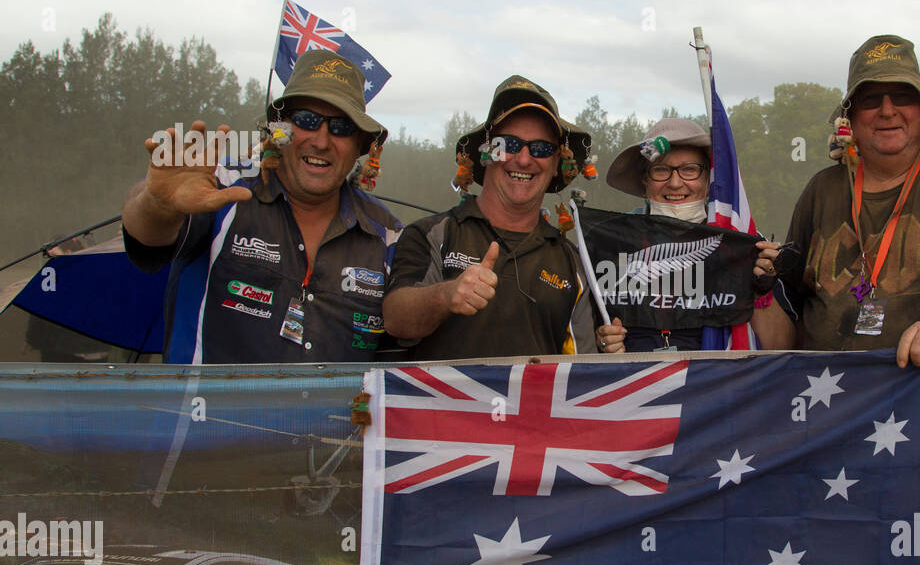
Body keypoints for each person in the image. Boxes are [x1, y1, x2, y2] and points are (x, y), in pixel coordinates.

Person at [754, 35, 920, 367]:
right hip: (827, 395)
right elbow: (790, 306)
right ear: (849, 118)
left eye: (902, 96)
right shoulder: (821, 189)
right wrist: (760, 286)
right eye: (870, 100)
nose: (887, 110)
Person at [121, 49, 402, 364]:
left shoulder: (389, 235)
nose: (321, 141)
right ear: (278, 130)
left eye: (342, 128)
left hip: (332, 416)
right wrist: (157, 204)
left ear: (360, 147)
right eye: (307, 121)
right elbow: (146, 239)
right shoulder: (221, 186)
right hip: (206, 414)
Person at [383, 75, 599, 359]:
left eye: (541, 148)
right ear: (486, 152)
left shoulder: (572, 260)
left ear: (557, 162)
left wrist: (613, 345)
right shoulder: (433, 234)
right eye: (508, 144)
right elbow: (396, 320)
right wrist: (446, 296)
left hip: (537, 404)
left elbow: (583, 366)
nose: (523, 159)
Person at [594, 118, 781, 353]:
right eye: (661, 169)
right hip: (638, 384)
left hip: (716, 383)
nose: (674, 183)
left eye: (689, 170)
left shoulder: (744, 244)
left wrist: (761, 290)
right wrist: (603, 343)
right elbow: (583, 337)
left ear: (709, 180)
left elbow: (781, 346)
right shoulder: (611, 243)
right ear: (645, 180)